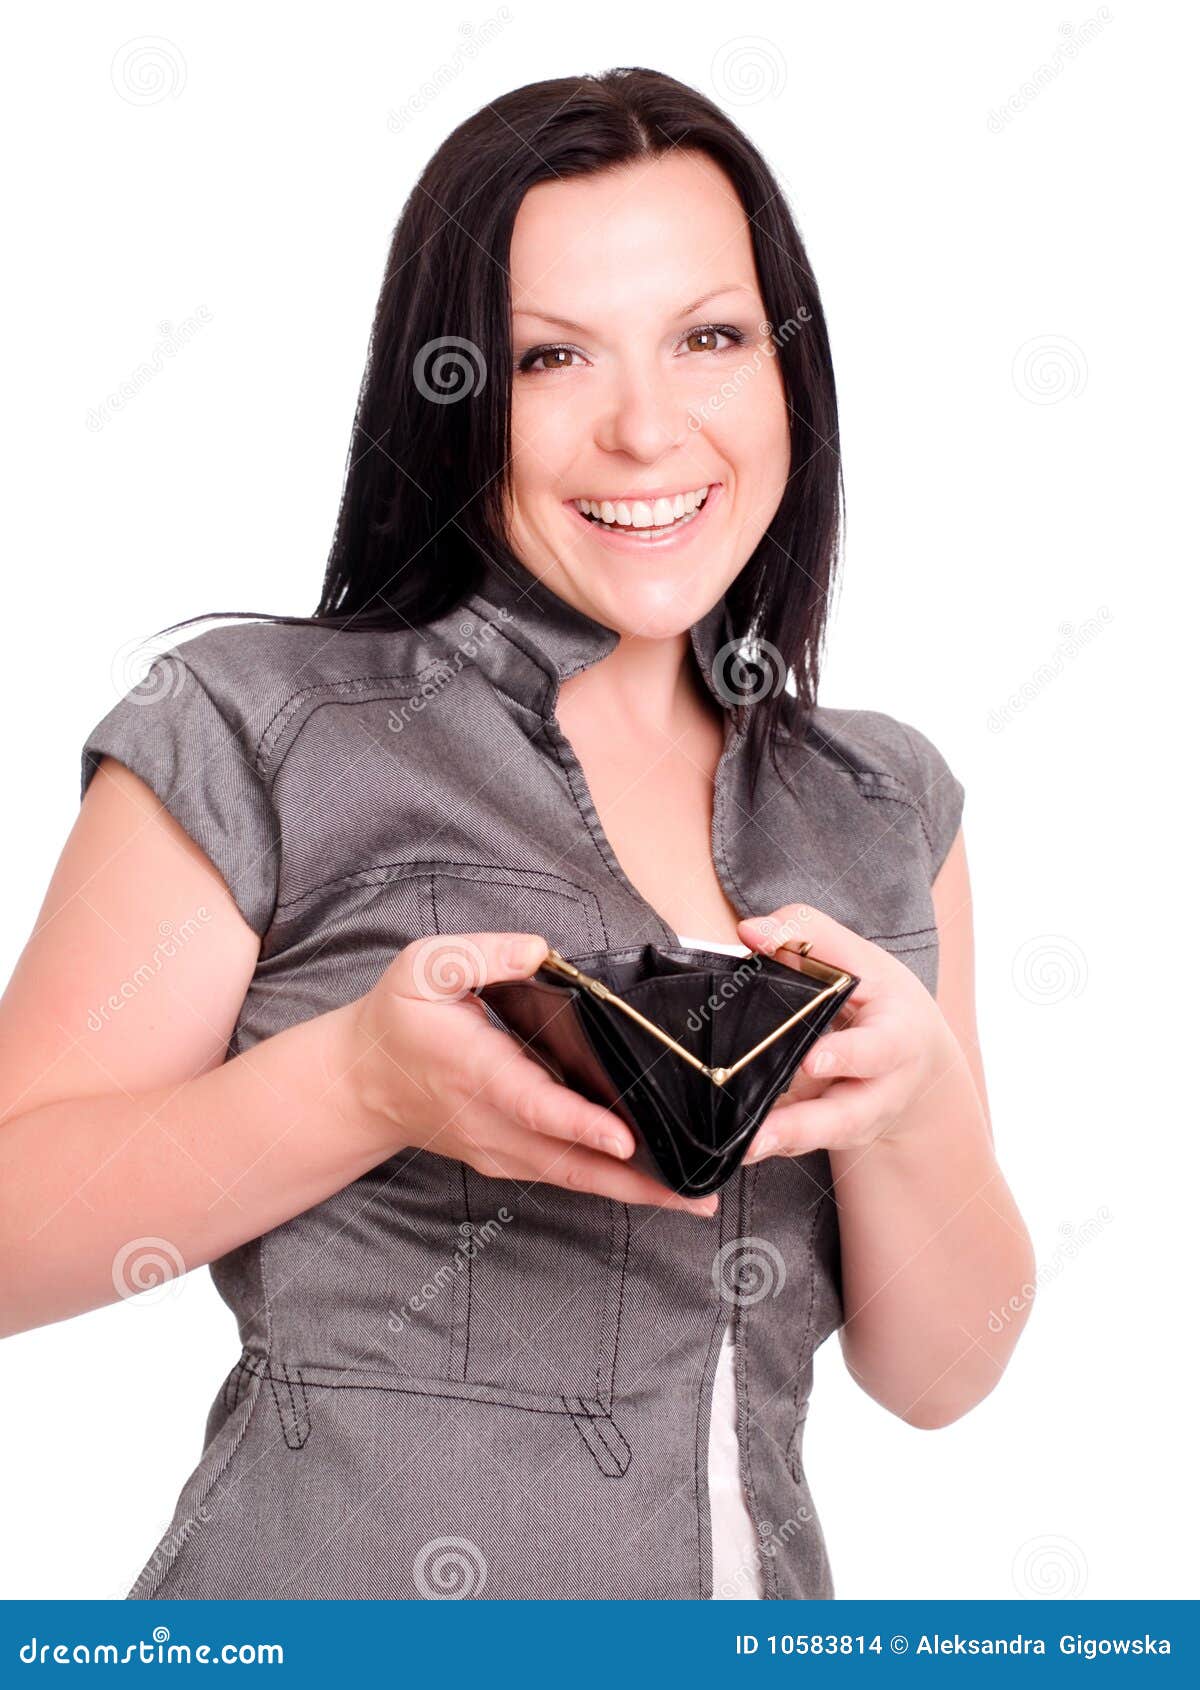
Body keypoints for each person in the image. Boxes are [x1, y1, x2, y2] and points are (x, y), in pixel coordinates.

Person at [0, 67, 1035, 1601]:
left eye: (709, 337)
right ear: (454, 390)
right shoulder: (256, 726)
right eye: (553, 355)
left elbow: (942, 1373)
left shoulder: (883, 803)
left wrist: (914, 1103)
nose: (643, 427)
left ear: (787, 371)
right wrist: (360, 1081)